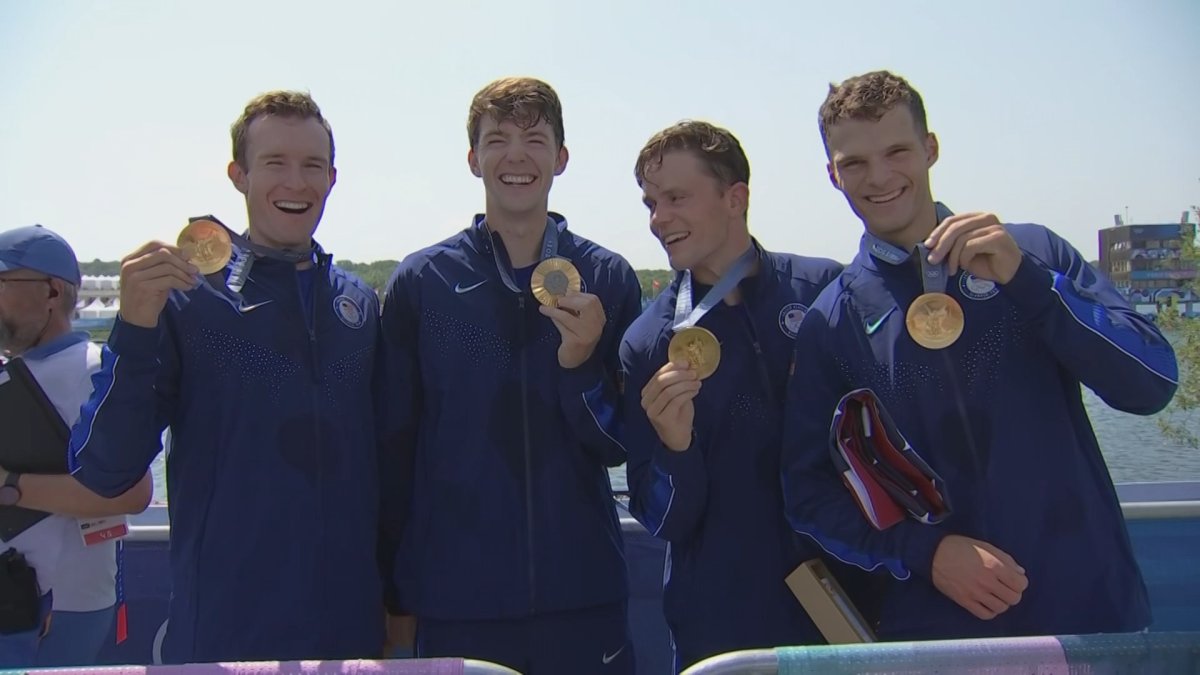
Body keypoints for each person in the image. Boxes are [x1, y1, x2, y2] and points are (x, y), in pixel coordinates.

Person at [781, 70, 1178, 641]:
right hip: (944, 633)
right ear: (832, 175)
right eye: (855, 164)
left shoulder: (1032, 252)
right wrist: (926, 552)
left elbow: (1152, 385)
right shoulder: (831, 319)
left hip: (1090, 615)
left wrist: (1032, 285)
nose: (880, 177)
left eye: (897, 151)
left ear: (931, 148)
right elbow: (808, 495)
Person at [9, 92, 386, 662]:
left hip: (349, 630)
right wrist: (133, 327)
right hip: (225, 631)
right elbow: (108, 471)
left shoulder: (357, 307)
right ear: (239, 175)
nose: (296, 181)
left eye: (312, 165)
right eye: (274, 162)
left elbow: (390, 467)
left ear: (333, 178)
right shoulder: (188, 299)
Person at [376, 76, 641, 674]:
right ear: (473, 159)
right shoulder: (422, 282)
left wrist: (581, 370)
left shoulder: (609, 278)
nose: (516, 155)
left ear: (561, 158)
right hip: (458, 601)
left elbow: (621, 441)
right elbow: (394, 449)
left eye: (535, 139)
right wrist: (397, 589)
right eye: (497, 139)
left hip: (585, 594)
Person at [620, 121, 856, 672]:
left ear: (736, 198)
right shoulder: (649, 341)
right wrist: (675, 449)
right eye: (651, 203)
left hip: (845, 604)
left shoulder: (826, 292)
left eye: (676, 198)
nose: (659, 219)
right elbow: (660, 520)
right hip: (722, 628)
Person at [0, 225, 152, 667]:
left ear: (51, 292)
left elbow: (132, 491)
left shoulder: (93, 373)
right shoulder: (21, 373)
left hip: (49, 609)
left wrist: (11, 485)